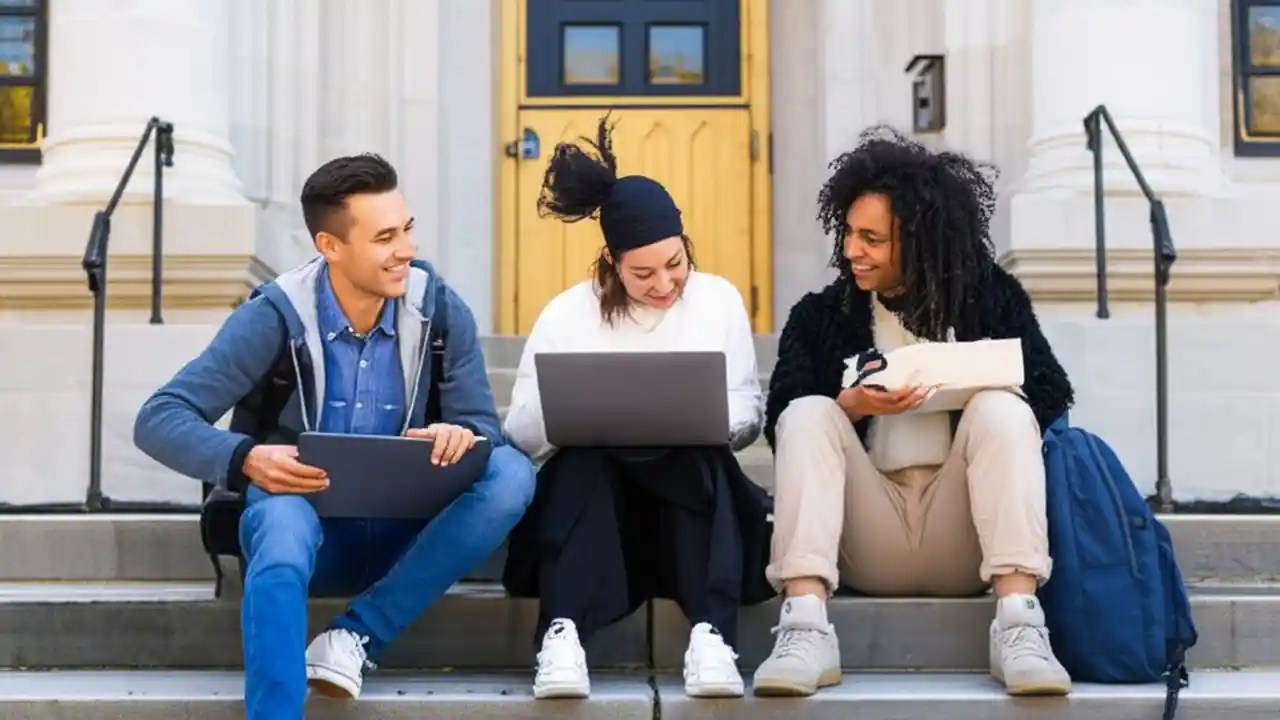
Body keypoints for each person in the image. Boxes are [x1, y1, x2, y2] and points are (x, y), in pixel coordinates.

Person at [133, 154, 536, 719]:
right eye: (385, 237)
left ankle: (356, 636)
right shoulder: (272, 316)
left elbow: (483, 431)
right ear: (331, 246)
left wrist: (460, 433)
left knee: (512, 472)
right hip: (306, 538)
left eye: (408, 229)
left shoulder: (441, 311)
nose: (407, 250)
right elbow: (159, 416)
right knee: (278, 517)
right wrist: (247, 458)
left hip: (412, 543)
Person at [751, 128, 1074, 698]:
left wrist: (966, 379)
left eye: (871, 238)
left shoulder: (992, 300)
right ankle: (804, 628)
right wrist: (848, 405)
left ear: (919, 242)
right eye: (849, 233)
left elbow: (1051, 395)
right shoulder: (820, 315)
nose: (852, 250)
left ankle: (1021, 625)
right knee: (807, 413)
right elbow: (782, 421)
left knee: (1004, 407)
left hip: (965, 535)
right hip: (866, 537)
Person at [499, 116, 775, 700]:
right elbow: (519, 431)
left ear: (685, 245)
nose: (664, 283)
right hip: (600, 509)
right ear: (611, 261)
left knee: (701, 457)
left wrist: (705, 417)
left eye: (675, 264)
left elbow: (749, 415)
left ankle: (711, 636)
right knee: (583, 460)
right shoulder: (567, 313)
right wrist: (576, 409)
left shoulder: (719, 299)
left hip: (686, 495)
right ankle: (563, 634)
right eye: (642, 273)